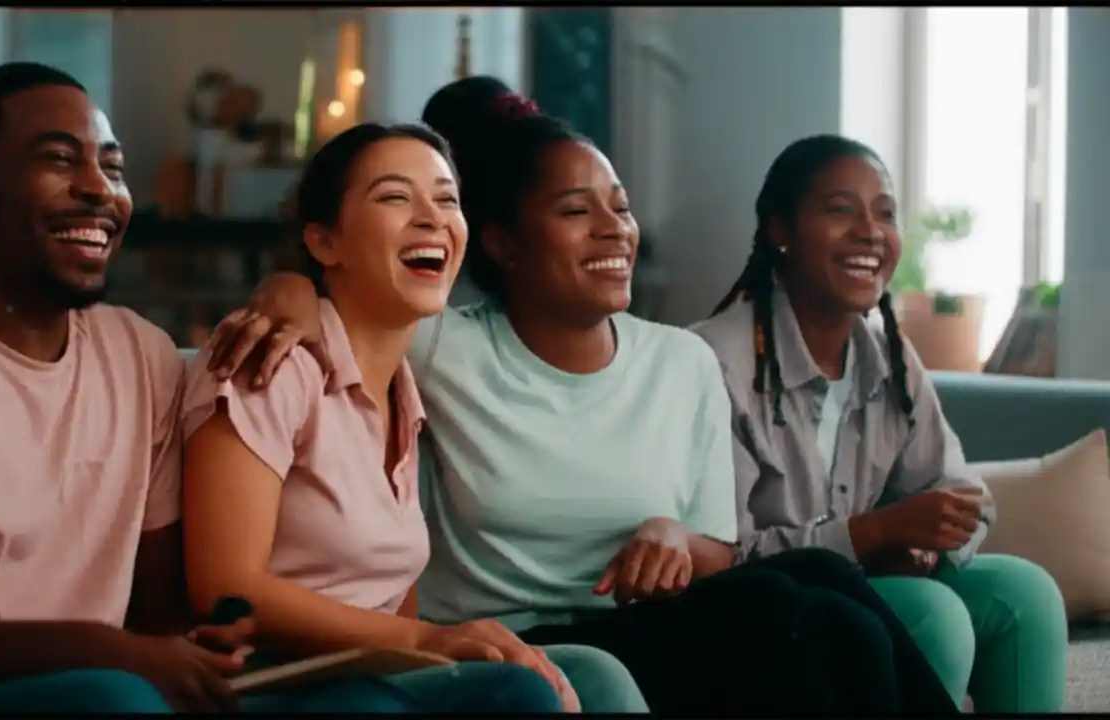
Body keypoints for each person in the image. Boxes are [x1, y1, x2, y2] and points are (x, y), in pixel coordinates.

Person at [207, 77, 960, 716]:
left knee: (823, 585)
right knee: (793, 614)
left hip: (642, 620)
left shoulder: (682, 362)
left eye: (621, 208)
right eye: (575, 212)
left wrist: (674, 539)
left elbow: (723, 550)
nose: (613, 230)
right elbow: (357, 302)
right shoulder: (437, 345)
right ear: (501, 241)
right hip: (517, 632)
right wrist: (290, 288)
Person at [0, 62, 555, 715]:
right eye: (59, 160)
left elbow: (168, 606)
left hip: (133, 680)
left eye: (112, 166)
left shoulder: (139, 356)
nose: (99, 188)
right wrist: (107, 651)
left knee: (512, 691)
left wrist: (292, 288)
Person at [180, 121, 646, 714]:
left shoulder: (406, 391)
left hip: (368, 675)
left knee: (593, 674)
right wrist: (426, 640)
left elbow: (392, 598)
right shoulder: (271, 357)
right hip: (265, 685)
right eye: (396, 197)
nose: (432, 218)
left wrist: (426, 645)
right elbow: (226, 588)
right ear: (324, 241)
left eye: (447, 200)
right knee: (512, 691)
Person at [689, 133, 1068, 712]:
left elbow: (960, 491)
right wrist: (873, 535)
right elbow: (715, 558)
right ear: (780, 230)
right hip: (767, 609)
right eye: (840, 210)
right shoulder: (712, 362)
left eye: (886, 214)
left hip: (861, 580)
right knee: (933, 614)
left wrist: (923, 548)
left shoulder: (889, 357)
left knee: (1025, 593)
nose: (871, 232)